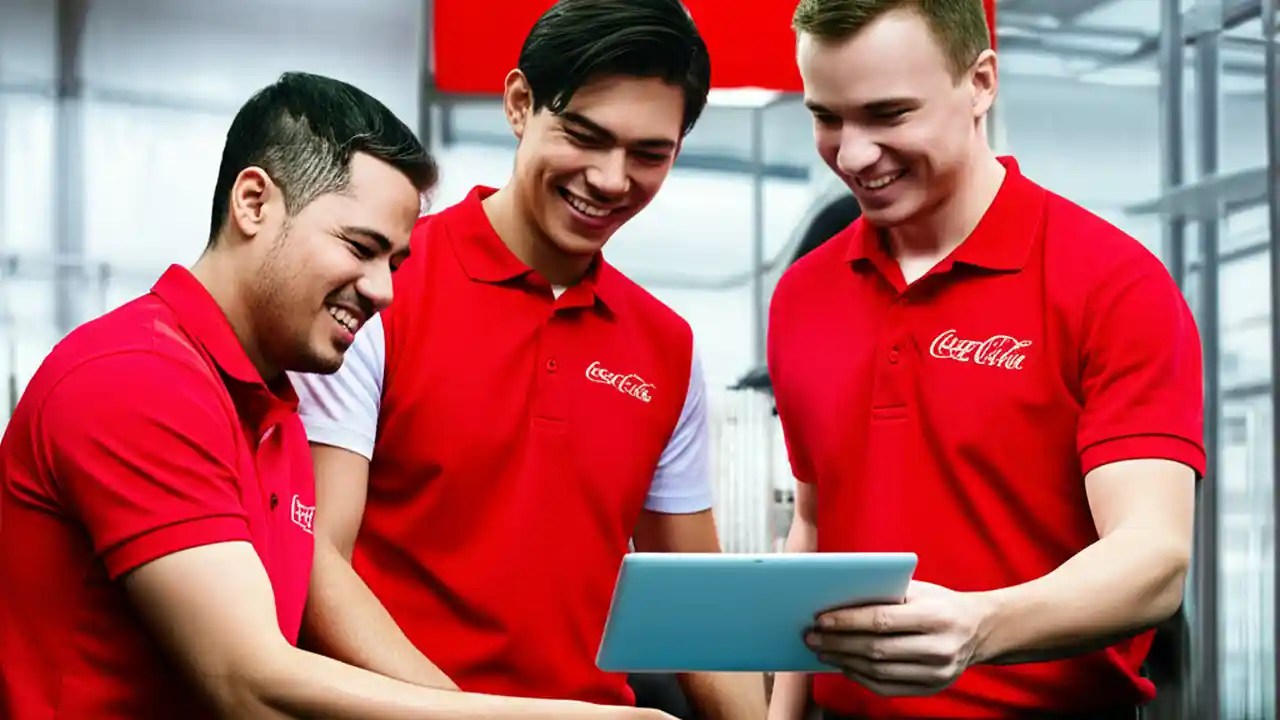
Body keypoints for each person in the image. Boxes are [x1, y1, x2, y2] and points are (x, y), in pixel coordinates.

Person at [0, 71, 675, 720]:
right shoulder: (137, 377)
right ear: (254, 202)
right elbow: (248, 682)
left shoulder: (276, 411)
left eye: (396, 262)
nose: (384, 288)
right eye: (360, 247)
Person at [289, 1, 765, 717]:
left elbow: (697, 597)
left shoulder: (666, 347)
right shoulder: (381, 290)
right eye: (584, 136)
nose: (610, 179)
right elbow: (318, 560)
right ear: (520, 104)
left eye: (648, 154)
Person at [765, 1, 1203, 718]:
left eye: (888, 114)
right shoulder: (802, 295)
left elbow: (1155, 561)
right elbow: (814, 525)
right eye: (828, 117)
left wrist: (980, 626)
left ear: (980, 82)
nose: (852, 154)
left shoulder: (1111, 284)